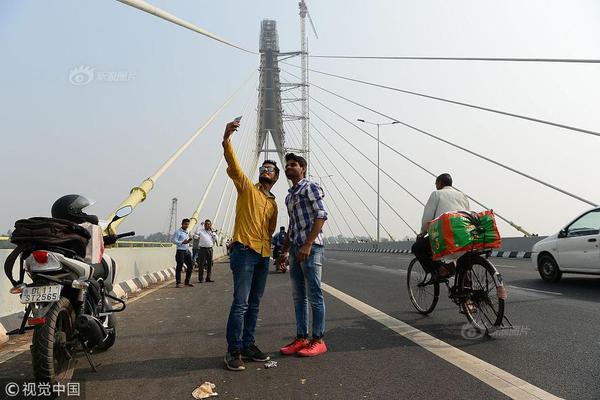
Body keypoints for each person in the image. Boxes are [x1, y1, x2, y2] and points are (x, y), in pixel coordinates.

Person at [222, 120, 279, 371]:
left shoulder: (273, 204)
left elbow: (270, 230)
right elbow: (234, 167)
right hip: (244, 251)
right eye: (264, 167)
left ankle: (248, 344)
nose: (266, 169)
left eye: (271, 168)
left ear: (275, 177)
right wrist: (226, 140)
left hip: (263, 255)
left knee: (254, 304)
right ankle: (233, 351)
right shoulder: (247, 188)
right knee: (241, 303)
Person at [278, 153, 328, 357]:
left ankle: (318, 340)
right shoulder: (289, 196)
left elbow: (321, 214)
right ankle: (301, 338)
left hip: (311, 247)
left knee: (314, 294)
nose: (289, 167)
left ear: (303, 168)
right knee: (298, 296)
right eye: (287, 165)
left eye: (294, 165)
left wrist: (308, 243)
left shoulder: (310, 187)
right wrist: (285, 250)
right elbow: (292, 225)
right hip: (296, 248)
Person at [411, 173, 470, 282]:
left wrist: (422, 234)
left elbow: (427, 219)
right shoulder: (463, 196)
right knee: (464, 261)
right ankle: (466, 293)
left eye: (436, 183)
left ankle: (439, 270)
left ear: (440, 183)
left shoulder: (436, 194)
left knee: (417, 248)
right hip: (464, 236)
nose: (436, 186)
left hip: (445, 236)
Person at [172, 218, 194, 288]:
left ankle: (187, 282)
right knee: (179, 267)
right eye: (185, 224)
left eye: (188, 224)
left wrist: (188, 242)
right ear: (182, 224)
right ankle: (178, 283)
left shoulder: (187, 231)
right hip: (180, 251)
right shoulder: (178, 232)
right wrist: (182, 242)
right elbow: (173, 240)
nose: (187, 226)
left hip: (187, 251)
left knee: (190, 266)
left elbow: (186, 240)